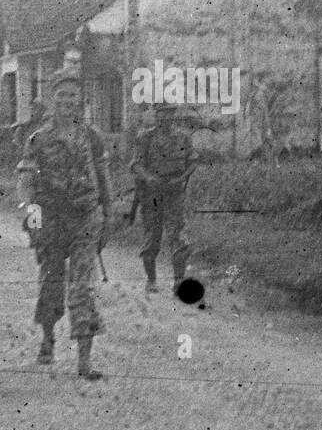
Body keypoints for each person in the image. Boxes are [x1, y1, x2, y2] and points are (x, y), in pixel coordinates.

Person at [16, 65, 112, 379]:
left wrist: (108, 214)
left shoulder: (92, 136)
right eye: (61, 95)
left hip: (85, 217)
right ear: (51, 99)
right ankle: (47, 338)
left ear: (81, 99)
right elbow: (26, 179)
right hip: (52, 220)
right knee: (51, 282)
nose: (67, 100)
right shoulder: (38, 139)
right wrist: (30, 213)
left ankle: (84, 362)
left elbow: (102, 175)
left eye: (73, 94)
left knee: (82, 286)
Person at [130, 102, 198, 294]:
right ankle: (151, 280)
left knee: (178, 235)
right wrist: (149, 178)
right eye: (162, 114)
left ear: (174, 115)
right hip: (152, 193)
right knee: (152, 236)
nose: (166, 118)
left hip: (174, 192)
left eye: (170, 114)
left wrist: (182, 178)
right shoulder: (145, 137)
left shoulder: (183, 137)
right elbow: (135, 164)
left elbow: (193, 160)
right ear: (157, 115)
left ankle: (178, 281)